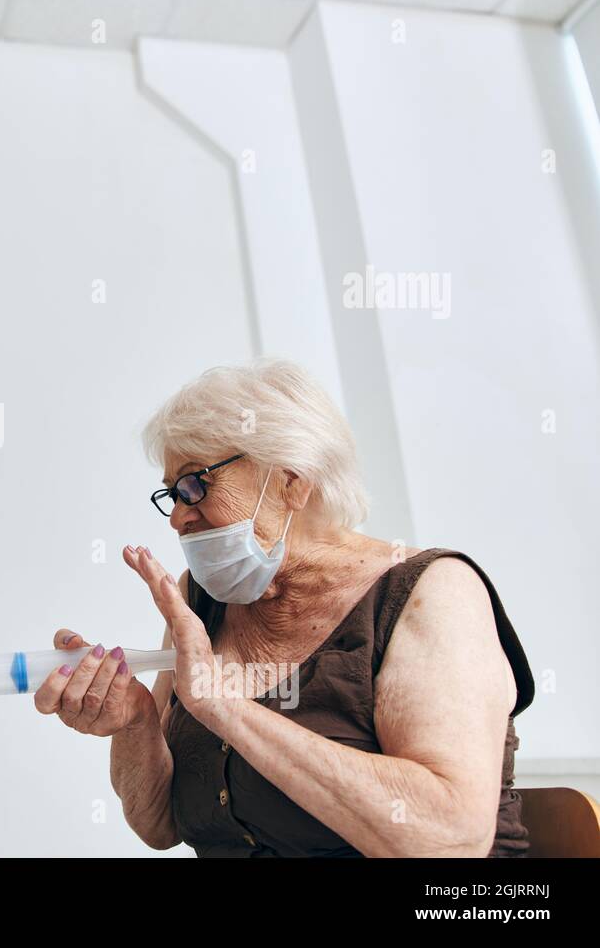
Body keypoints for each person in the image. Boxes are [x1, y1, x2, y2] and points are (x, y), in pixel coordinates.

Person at [34, 358, 534, 857]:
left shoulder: (432, 591)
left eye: (195, 484)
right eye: (172, 495)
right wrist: (135, 724)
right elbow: (161, 826)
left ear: (291, 480)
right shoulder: (199, 602)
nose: (178, 518)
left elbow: (447, 838)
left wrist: (221, 706)